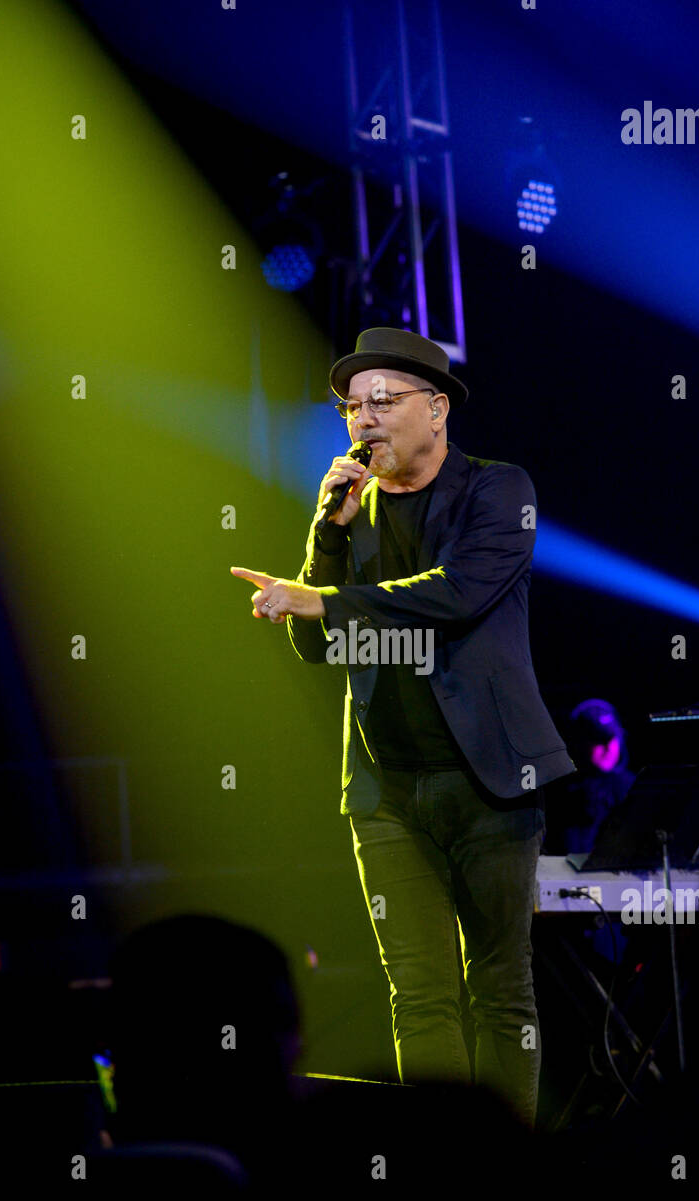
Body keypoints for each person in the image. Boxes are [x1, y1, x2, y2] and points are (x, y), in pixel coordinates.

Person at [231, 326, 574, 1125]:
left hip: (490, 781)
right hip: (385, 789)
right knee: (417, 995)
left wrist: (323, 597)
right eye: (352, 408)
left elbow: (457, 595)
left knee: (500, 988)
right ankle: (439, 1177)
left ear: (437, 408)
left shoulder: (497, 490)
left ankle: (506, 1165)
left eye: (382, 401)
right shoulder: (352, 512)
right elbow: (318, 646)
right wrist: (325, 535)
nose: (364, 420)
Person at [545, 697, 635, 855]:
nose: (608, 747)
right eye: (599, 739)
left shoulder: (631, 787)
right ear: (578, 743)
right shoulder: (557, 790)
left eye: (611, 738)